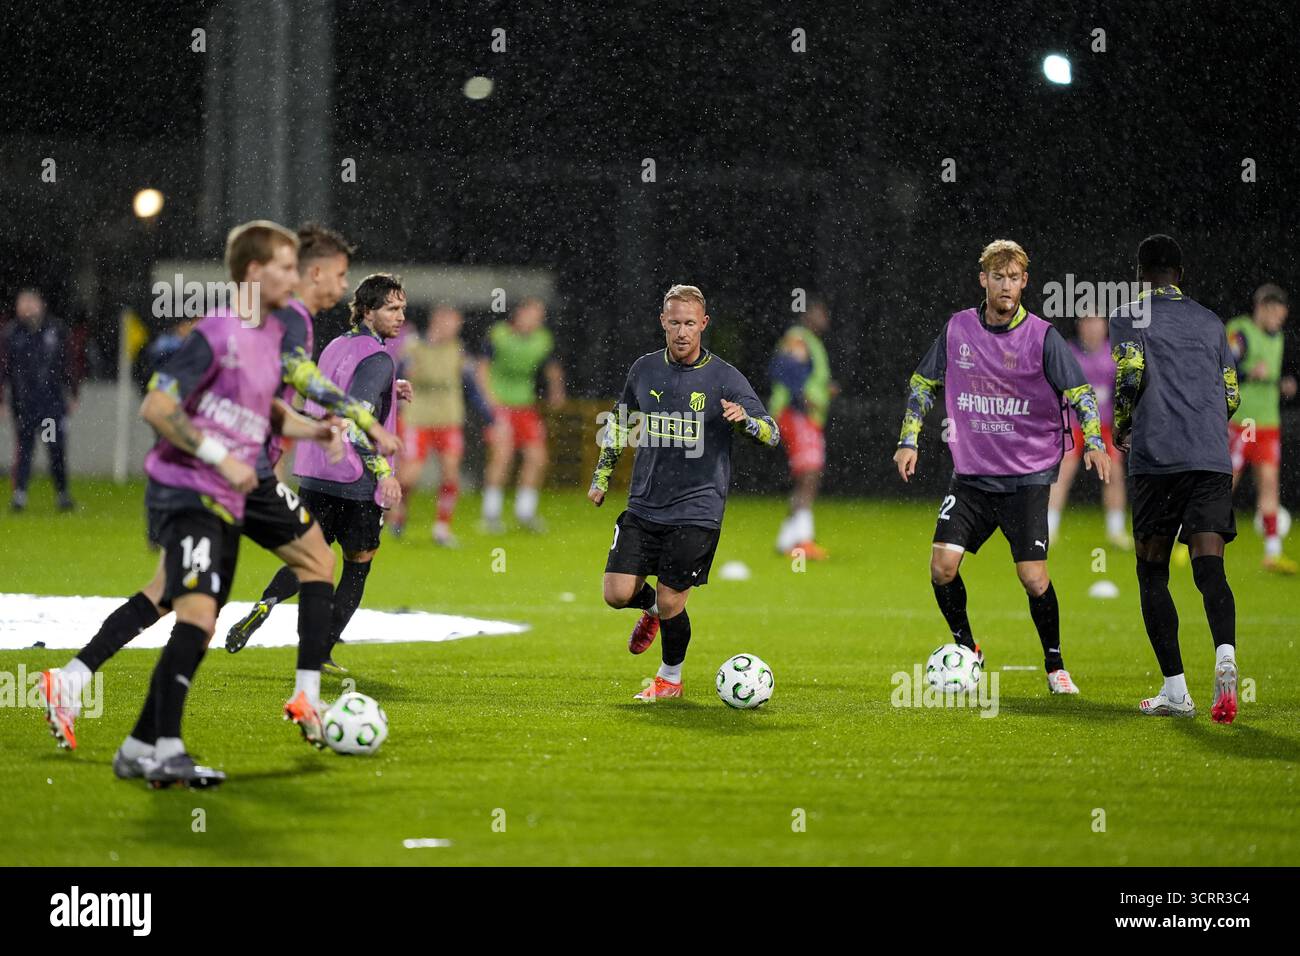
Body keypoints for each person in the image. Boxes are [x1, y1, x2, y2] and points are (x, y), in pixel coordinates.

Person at [37, 222, 400, 763]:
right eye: (283, 267)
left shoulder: (263, 331)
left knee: (181, 596)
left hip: (240, 480)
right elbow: (163, 405)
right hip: (197, 484)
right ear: (268, 272)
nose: (298, 278)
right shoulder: (239, 330)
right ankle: (162, 743)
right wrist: (351, 418)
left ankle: (88, 694)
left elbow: (270, 403)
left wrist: (314, 430)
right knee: (199, 612)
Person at [893, 240, 1110, 695]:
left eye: (1014, 278)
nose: (1006, 286)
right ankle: (967, 648)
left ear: (1024, 282)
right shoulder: (958, 329)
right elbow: (921, 381)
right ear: (983, 281)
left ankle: (1055, 665)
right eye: (998, 277)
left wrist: (1093, 440)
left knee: (1033, 577)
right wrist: (908, 439)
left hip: (1026, 480)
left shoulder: (1043, 337)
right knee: (942, 568)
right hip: (971, 479)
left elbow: (1081, 393)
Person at [589, 284, 781, 700]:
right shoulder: (643, 370)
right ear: (663, 322)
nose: (681, 332)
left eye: (690, 324)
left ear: (703, 325)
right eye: (674, 322)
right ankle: (651, 610)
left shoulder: (725, 377)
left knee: (674, 600)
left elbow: (772, 433)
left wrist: (745, 420)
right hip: (644, 502)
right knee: (616, 592)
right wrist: (602, 477)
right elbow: (620, 422)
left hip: (697, 508)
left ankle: (669, 679)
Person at [226, 274, 406, 672]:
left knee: (308, 555)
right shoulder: (379, 359)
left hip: (314, 470)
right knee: (358, 563)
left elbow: (327, 394)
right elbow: (355, 421)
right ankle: (320, 652)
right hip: (354, 478)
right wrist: (383, 473)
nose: (400, 316)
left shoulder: (337, 347)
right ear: (368, 311)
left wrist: (392, 389)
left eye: (402, 308)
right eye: (391, 309)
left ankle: (266, 603)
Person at [1112, 234, 1241, 723]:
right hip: (1209, 457)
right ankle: (1225, 652)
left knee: (1152, 572)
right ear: (1180, 274)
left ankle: (1176, 691)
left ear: (1141, 272)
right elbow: (1231, 394)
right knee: (1211, 571)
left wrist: (1125, 425)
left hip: (1159, 457)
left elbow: (1129, 373)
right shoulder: (1211, 321)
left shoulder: (1129, 314)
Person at [391, 304, 491, 545]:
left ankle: (442, 528)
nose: (455, 328)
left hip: (448, 420)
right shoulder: (413, 347)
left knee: (450, 472)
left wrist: (490, 418)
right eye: (452, 322)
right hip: (418, 419)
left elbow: (473, 388)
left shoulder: (458, 350)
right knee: (409, 477)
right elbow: (396, 377)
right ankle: (399, 513)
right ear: (438, 320)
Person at [478, 297, 565, 532]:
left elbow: (552, 367)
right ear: (519, 314)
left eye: (539, 318)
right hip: (500, 405)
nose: (536, 321)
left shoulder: (542, 339)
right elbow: (482, 370)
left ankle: (525, 513)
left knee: (538, 458)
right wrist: (490, 404)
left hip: (526, 406)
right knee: (502, 456)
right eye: (533, 316)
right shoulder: (499, 334)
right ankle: (491, 515)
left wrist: (556, 390)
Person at [1227, 283, 1296, 573]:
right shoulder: (1240, 332)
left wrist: (1283, 384)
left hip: (1268, 423)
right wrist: (1247, 373)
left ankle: (1272, 553)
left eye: (1282, 316)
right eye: (1275, 314)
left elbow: (1268, 377)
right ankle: (1191, 537)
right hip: (1241, 422)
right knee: (1223, 485)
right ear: (1262, 307)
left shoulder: (1277, 337)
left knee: (1269, 484)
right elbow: (1223, 366)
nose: (1278, 321)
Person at [1047, 313, 1131, 549]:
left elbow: (1124, 394)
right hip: (1074, 423)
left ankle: (1116, 531)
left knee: (1113, 474)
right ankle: (1049, 529)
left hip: (1104, 425)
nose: (1092, 327)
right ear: (1080, 326)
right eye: (1087, 322)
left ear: (1104, 326)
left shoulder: (1115, 356)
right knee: (1062, 472)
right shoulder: (1068, 353)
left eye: (1097, 322)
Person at [1, 288, 80, 511]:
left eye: (30, 302)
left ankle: (62, 494)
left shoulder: (55, 330)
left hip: (51, 406)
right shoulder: (11, 333)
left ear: (40, 304)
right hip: (23, 405)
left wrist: (72, 392)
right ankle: (20, 495)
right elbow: (3, 369)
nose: (26, 307)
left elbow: (68, 363)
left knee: (55, 448)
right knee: (24, 450)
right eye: (22, 303)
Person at [769, 299, 836, 559]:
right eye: (820, 312)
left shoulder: (809, 341)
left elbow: (804, 374)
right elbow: (781, 369)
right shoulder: (799, 338)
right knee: (810, 473)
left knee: (805, 475)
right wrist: (802, 398)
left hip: (804, 415)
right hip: (797, 414)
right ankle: (803, 542)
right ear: (807, 313)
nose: (824, 318)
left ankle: (787, 539)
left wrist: (823, 390)